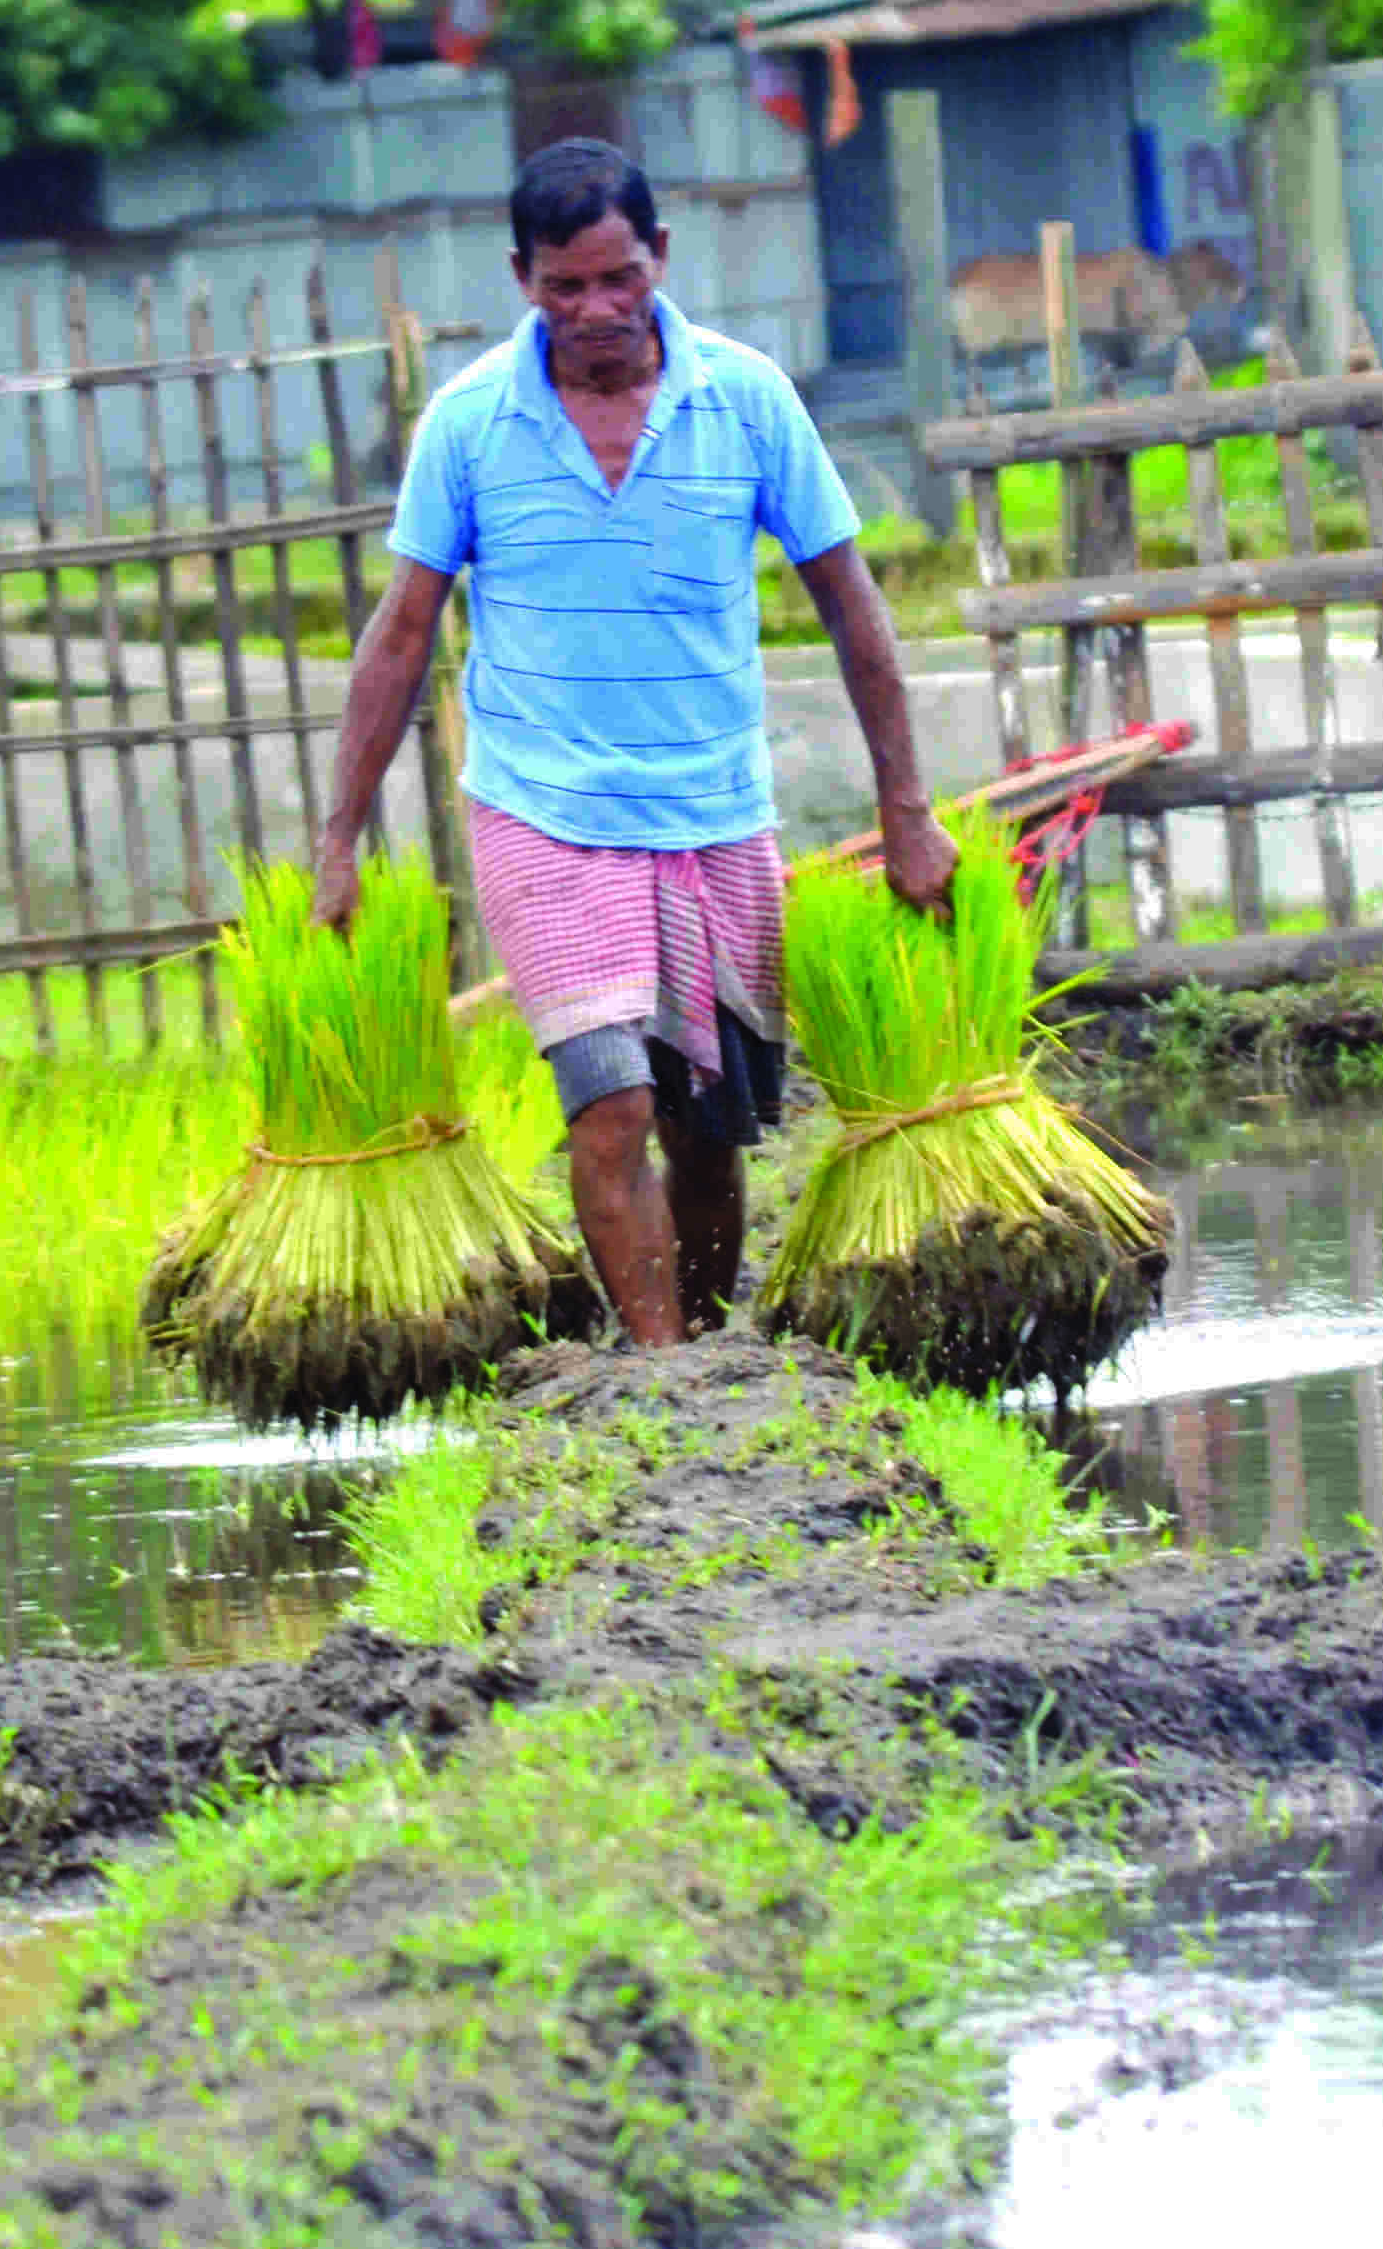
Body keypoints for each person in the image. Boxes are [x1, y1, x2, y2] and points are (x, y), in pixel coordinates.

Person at [308, 137, 956, 1347]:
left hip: (713, 810)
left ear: (658, 257)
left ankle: (706, 1363)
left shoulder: (747, 398)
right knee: (605, 1108)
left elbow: (851, 605)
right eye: (564, 286)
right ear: (520, 278)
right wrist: (337, 841)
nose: (596, 310)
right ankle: (657, 1373)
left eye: (618, 278)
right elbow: (400, 635)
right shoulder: (467, 426)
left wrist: (905, 807)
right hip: (542, 810)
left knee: (704, 1128)